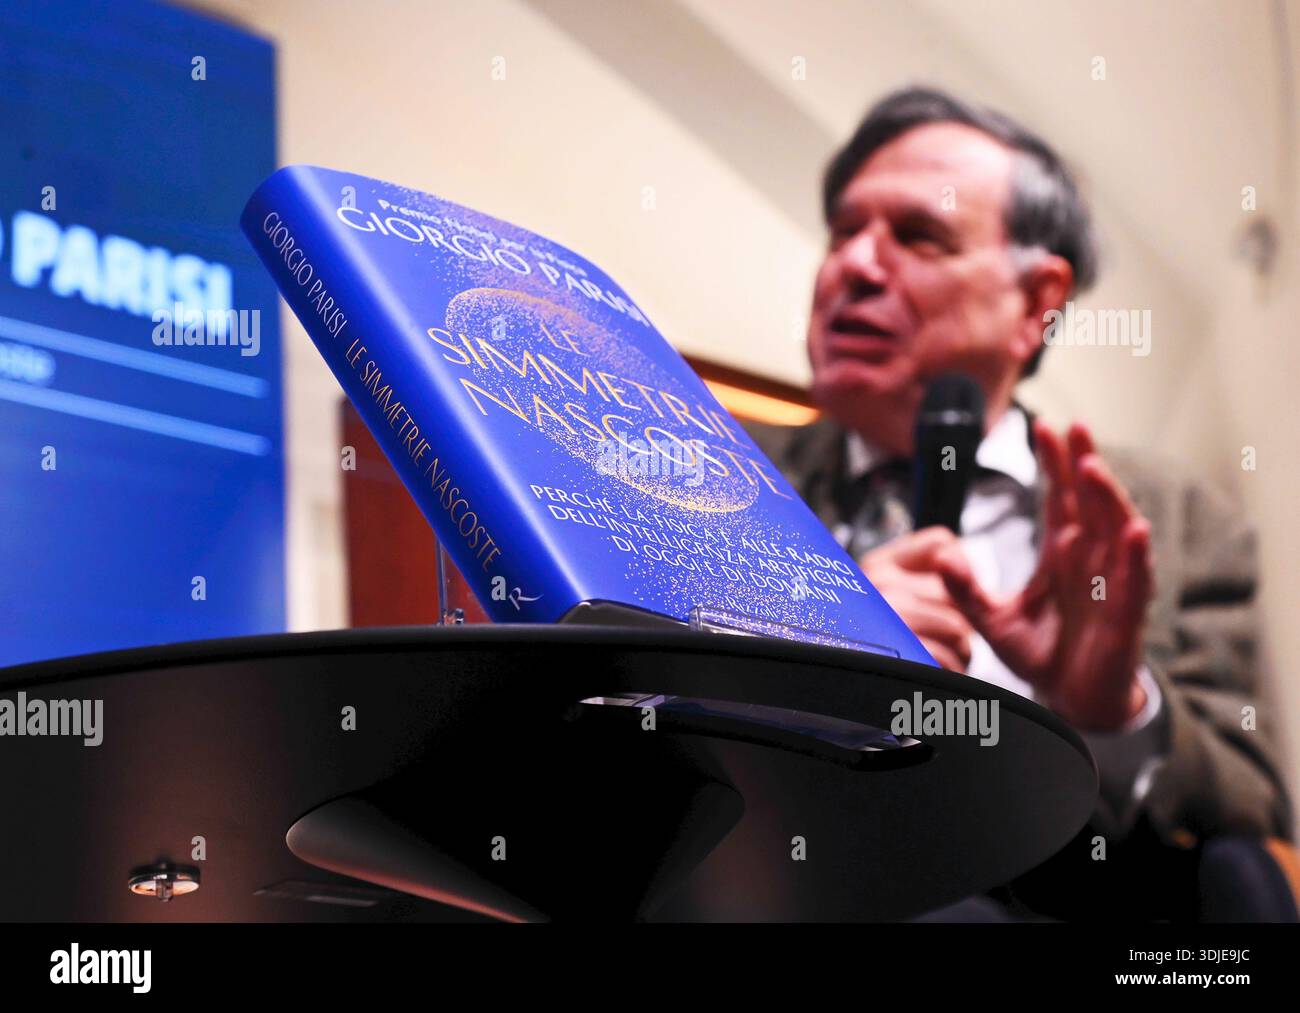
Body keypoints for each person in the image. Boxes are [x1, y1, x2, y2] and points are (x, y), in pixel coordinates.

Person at [742, 86, 1293, 921]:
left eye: (919, 236)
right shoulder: (719, 466)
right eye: (844, 230)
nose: (853, 265)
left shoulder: (1175, 514)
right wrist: (812, 630)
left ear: (1037, 302)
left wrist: (1115, 711)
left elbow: (1252, 799)